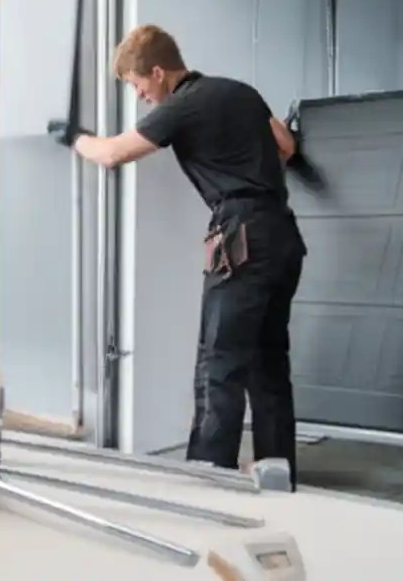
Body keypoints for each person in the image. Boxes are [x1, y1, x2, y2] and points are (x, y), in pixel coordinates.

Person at [48, 24, 307, 490]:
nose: (141, 95)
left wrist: (74, 137)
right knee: (269, 362)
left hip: (241, 235)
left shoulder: (184, 105)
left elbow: (111, 154)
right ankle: (278, 474)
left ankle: (207, 480)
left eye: (137, 84)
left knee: (219, 363)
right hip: (283, 233)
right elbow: (285, 145)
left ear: (159, 71)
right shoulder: (240, 92)